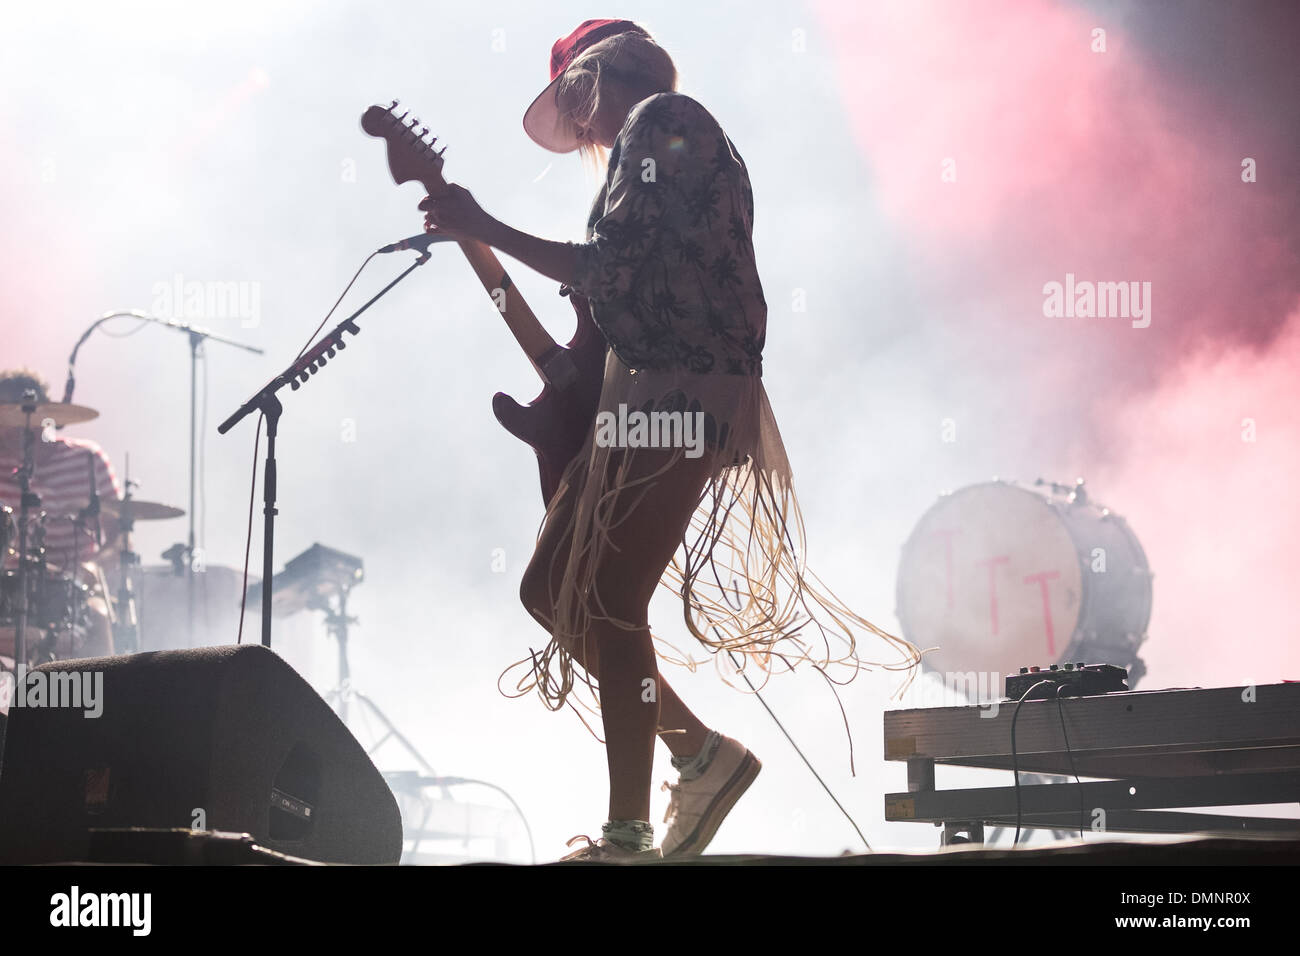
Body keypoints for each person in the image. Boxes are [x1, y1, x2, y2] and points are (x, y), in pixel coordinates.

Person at [420, 20, 923, 862]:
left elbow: (605, 271)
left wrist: (485, 225)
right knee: (553, 591)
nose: (579, 132)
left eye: (576, 109)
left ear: (594, 81)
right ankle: (698, 754)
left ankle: (627, 834)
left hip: (681, 392)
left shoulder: (659, 120)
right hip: (653, 391)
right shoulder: (658, 136)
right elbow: (619, 285)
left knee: (608, 598)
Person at [0, 369, 120, 665]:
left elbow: (121, 535)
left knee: (98, 619)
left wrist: (93, 567)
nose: (14, 427)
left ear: (44, 416)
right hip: (8, 588)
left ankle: (110, 706)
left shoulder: (88, 459)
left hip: (73, 589)